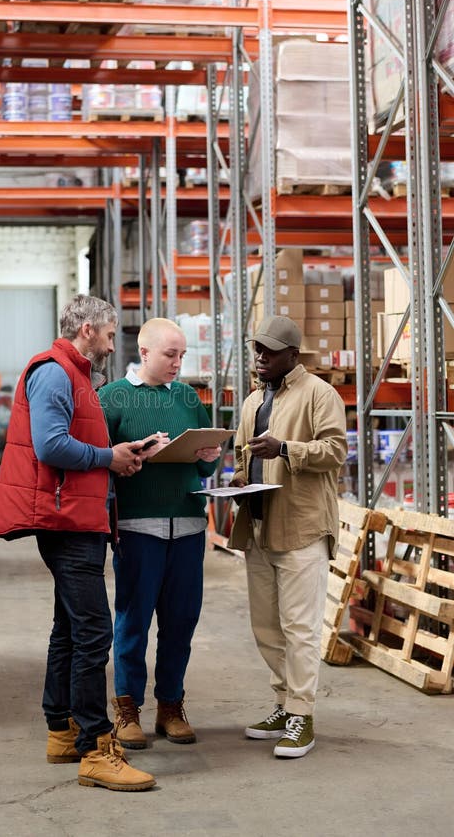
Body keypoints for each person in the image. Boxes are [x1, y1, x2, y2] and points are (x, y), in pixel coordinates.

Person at [0, 294, 156, 792]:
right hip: (66, 523)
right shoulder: (55, 373)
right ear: (87, 330)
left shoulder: (78, 376)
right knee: (94, 633)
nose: (112, 344)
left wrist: (119, 456)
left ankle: (61, 730)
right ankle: (95, 748)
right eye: (109, 334)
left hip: (79, 517)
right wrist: (108, 457)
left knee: (69, 629)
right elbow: (51, 445)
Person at [99, 317, 221, 749]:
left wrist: (209, 455)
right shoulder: (112, 398)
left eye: (182, 355)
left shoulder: (187, 397)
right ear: (145, 352)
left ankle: (170, 705)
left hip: (188, 525)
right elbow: (99, 462)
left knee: (181, 621)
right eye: (171, 354)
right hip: (138, 527)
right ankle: (127, 708)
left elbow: (205, 464)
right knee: (133, 620)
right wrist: (134, 456)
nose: (177, 362)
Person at [229, 315, 347, 759]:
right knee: (266, 627)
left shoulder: (319, 394)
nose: (260, 357)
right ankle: (283, 703)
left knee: (300, 629)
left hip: (301, 528)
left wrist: (284, 448)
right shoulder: (252, 401)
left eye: (270, 350)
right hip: (258, 527)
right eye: (257, 348)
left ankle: (302, 714)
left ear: (293, 355)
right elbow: (243, 458)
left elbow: (335, 451)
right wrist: (237, 481)